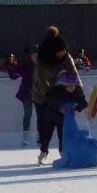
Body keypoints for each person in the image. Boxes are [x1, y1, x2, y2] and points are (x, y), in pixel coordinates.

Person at [33, 26, 82, 164]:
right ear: (53, 53)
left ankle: (62, 151)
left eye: (64, 52)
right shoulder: (42, 58)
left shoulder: (65, 56)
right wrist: (49, 94)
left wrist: (79, 90)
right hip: (42, 95)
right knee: (45, 126)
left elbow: (74, 73)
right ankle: (44, 150)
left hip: (61, 94)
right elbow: (41, 79)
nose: (63, 55)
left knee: (62, 128)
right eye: (60, 53)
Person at [41, 70, 89, 166]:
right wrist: (60, 107)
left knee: (63, 136)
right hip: (51, 115)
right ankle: (43, 152)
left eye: (73, 85)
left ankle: (63, 154)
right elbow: (51, 101)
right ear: (63, 85)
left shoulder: (77, 91)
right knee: (46, 135)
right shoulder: (56, 90)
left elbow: (84, 103)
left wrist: (76, 108)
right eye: (69, 85)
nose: (72, 87)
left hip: (64, 118)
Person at [7, 46, 38, 146]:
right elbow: (14, 74)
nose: (36, 57)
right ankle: (25, 135)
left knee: (41, 115)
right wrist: (12, 72)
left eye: (37, 55)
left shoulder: (42, 65)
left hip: (39, 93)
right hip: (27, 93)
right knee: (27, 114)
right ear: (31, 56)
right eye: (34, 55)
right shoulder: (25, 65)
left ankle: (40, 136)